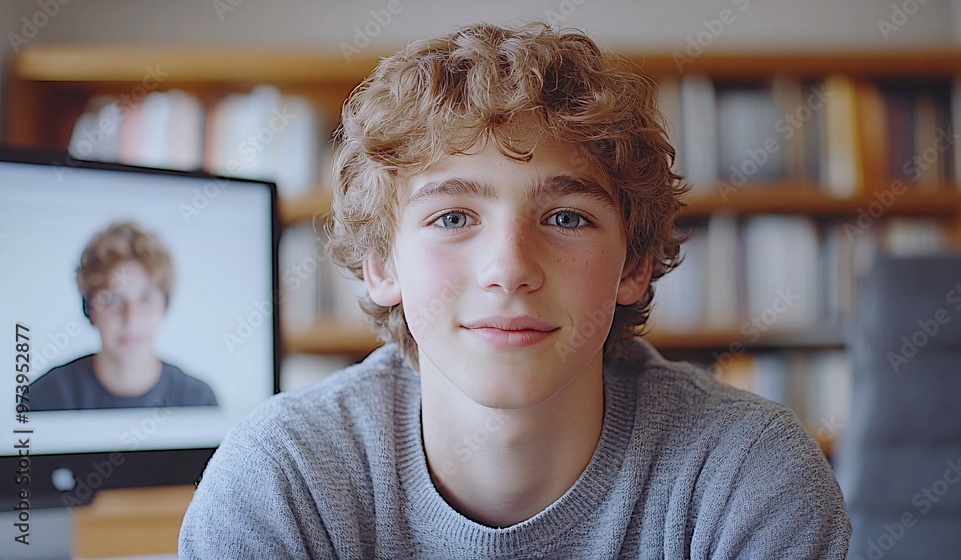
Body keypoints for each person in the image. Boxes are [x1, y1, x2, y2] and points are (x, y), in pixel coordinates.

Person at [180, 22, 850, 558]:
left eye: (566, 217)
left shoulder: (746, 476)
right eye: (452, 218)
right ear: (382, 264)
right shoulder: (283, 479)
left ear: (634, 266)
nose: (509, 268)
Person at [30, 221, 217, 411]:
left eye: (146, 298)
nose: (131, 318)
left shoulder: (199, 402)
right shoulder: (46, 398)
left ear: (164, 306)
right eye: (112, 300)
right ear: (90, 310)